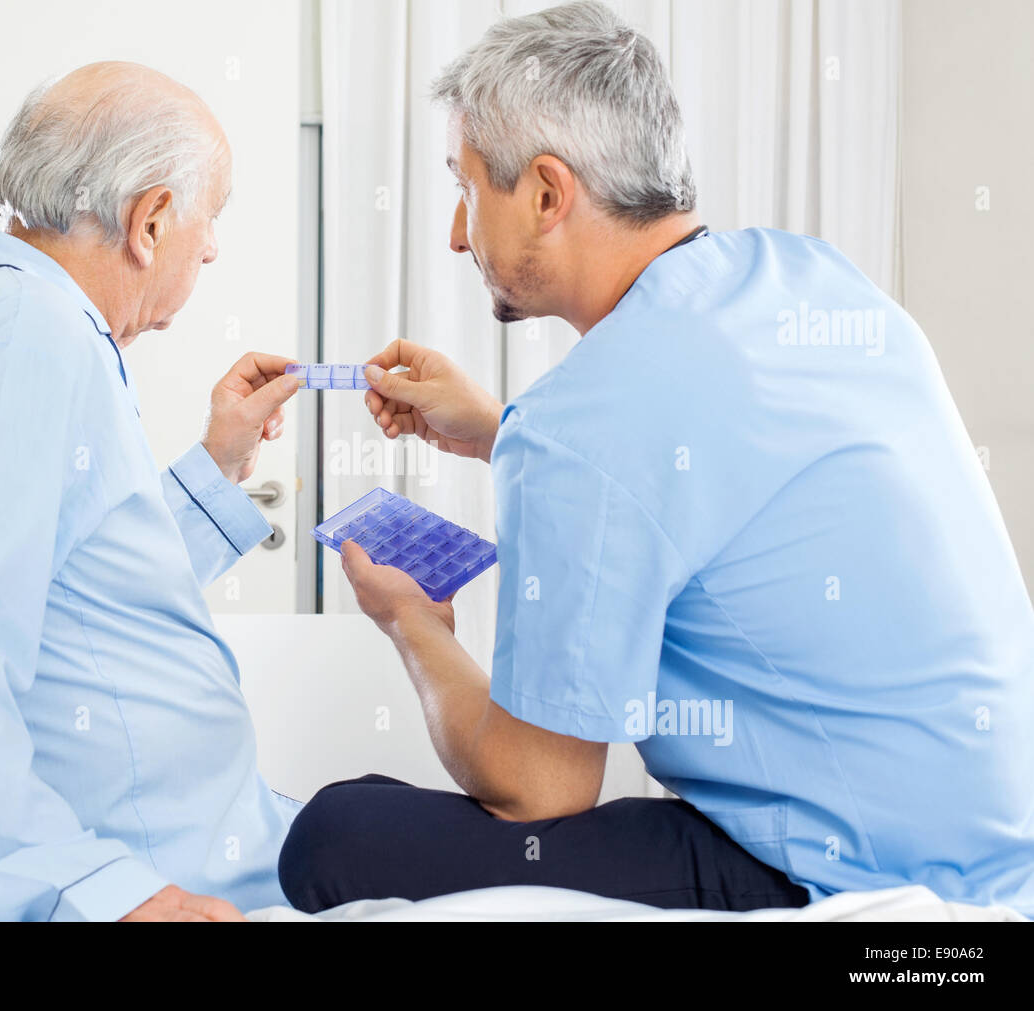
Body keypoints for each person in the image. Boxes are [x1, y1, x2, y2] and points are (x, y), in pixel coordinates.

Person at [278, 1, 1034, 916]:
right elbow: (702, 455)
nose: (452, 232)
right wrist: (500, 430)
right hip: (999, 837)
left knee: (334, 836)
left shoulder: (582, 426)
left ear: (549, 195)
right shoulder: (818, 281)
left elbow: (541, 788)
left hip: (860, 871)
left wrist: (414, 624)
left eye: (465, 187)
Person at [0, 62, 302, 921]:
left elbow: (76, 593)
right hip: (154, 869)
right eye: (212, 216)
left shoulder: (2, 322)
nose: (213, 247)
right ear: (151, 220)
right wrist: (104, 895)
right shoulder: (26, 342)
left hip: (217, 845)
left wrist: (219, 461)